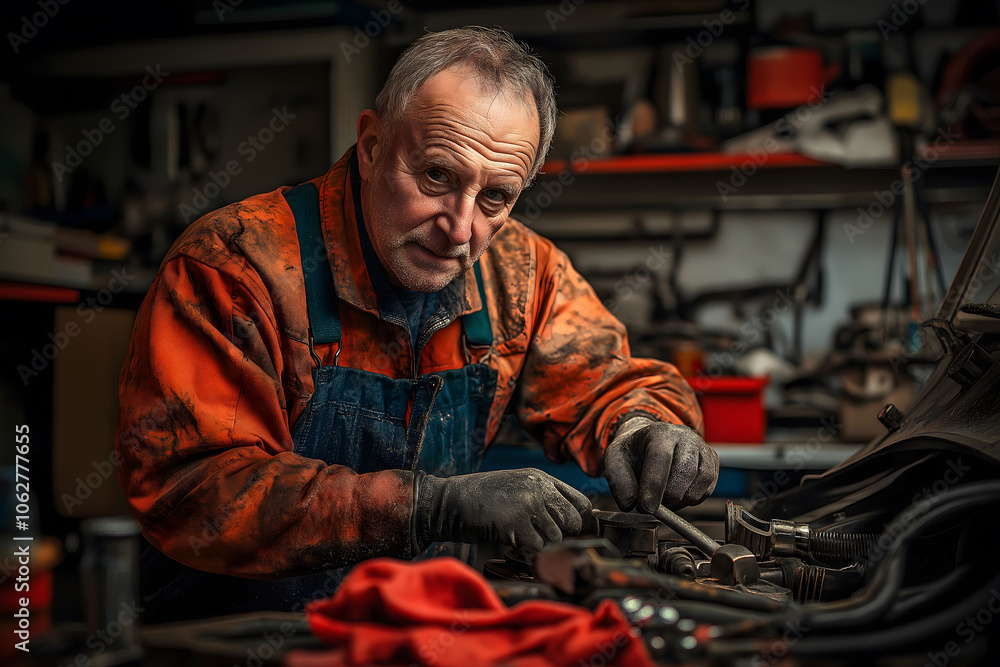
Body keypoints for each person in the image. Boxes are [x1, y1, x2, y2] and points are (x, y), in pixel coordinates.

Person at [116, 26, 717, 623]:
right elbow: (198, 492)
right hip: (234, 642)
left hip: (423, 640)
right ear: (372, 145)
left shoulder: (521, 273)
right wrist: (427, 506)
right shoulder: (234, 267)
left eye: (495, 197)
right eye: (436, 176)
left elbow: (605, 382)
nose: (459, 230)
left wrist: (642, 425)